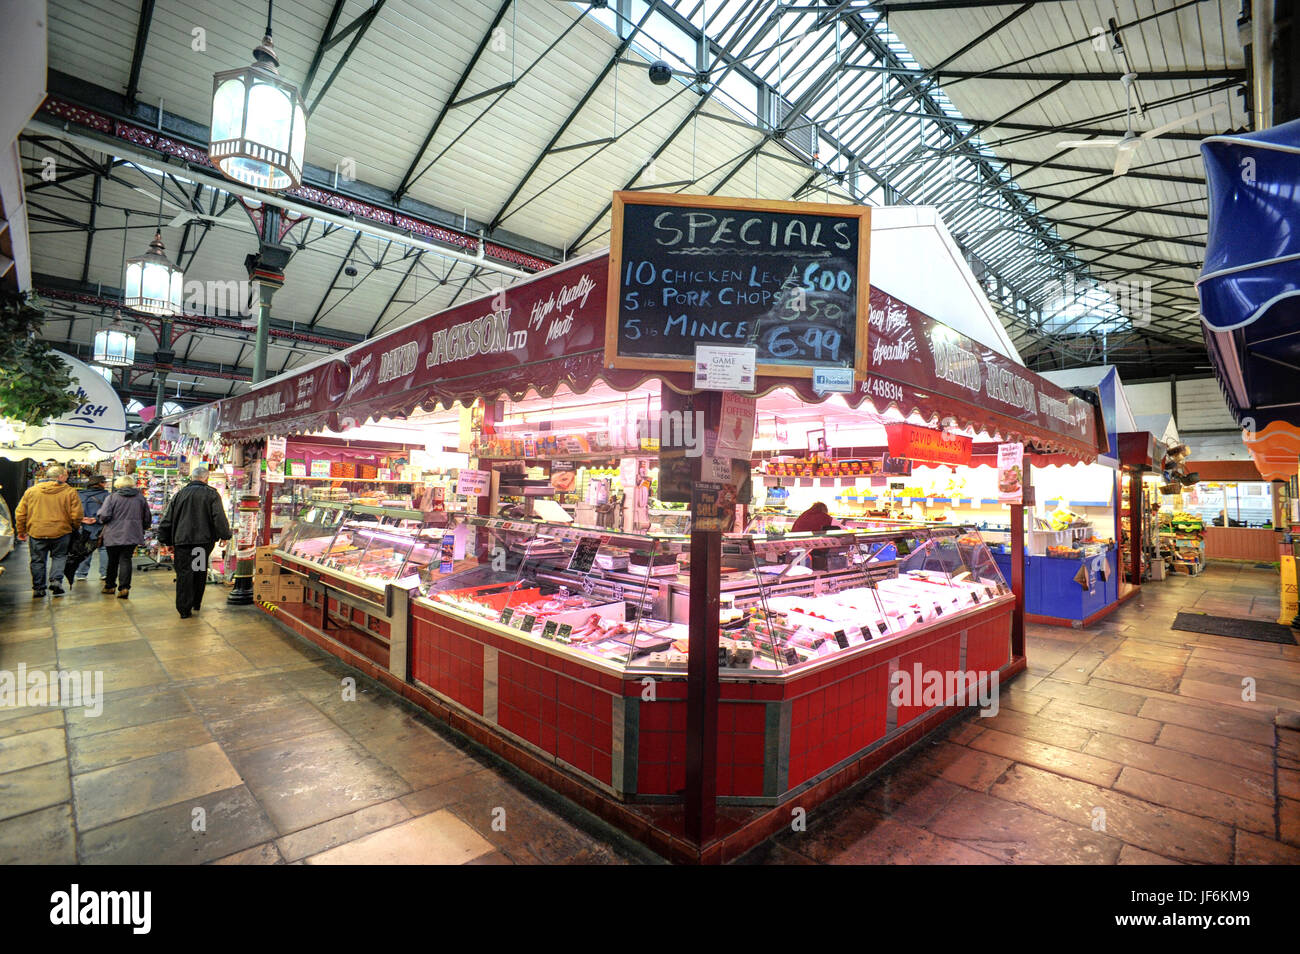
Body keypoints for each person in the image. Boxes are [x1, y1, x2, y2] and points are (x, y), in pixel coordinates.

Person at [157, 466, 231, 618]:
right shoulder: (211, 494)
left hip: (182, 541)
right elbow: (218, 516)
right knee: (198, 571)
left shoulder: (180, 494)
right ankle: (196, 602)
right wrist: (224, 535)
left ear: (192, 477)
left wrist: (165, 539)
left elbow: (168, 518)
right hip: (202, 542)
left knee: (184, 573)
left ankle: (184, 608)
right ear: (206, 478)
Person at [14, 464, 84, 598]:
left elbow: (20, 513)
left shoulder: (31, 491)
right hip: (61, 531)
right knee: (59, 556)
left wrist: (21, 530)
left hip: (37, 531)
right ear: (61, 476)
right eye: (66, 475)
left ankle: (38, 588)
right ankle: (56, 580)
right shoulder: (69, 492)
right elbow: (77, 514)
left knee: (37, 560)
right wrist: (74, 527)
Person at [94, 475, 153, 598]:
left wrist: (100, 517)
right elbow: (147, 517)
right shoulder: (140, 498)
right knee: (126, 559)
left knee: (113, 561)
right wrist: (143, 527)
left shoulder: (111, 498)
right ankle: (124, 588)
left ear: (118, 484)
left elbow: (104, 516)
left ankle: (110, 586)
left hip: (113, 534)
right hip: (132, 533)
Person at [74, 473, 110, 582]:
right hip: (101, 526)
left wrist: (81, 519)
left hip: (83, 526)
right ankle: (105, 573)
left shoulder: (79, 495)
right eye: (104, 482)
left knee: (85, 548)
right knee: (103, 549)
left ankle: (81, 573)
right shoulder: (107, 496)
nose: (106, 484)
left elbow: (74, 510)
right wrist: (97, 519)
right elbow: (108, 512)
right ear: (100, 484)